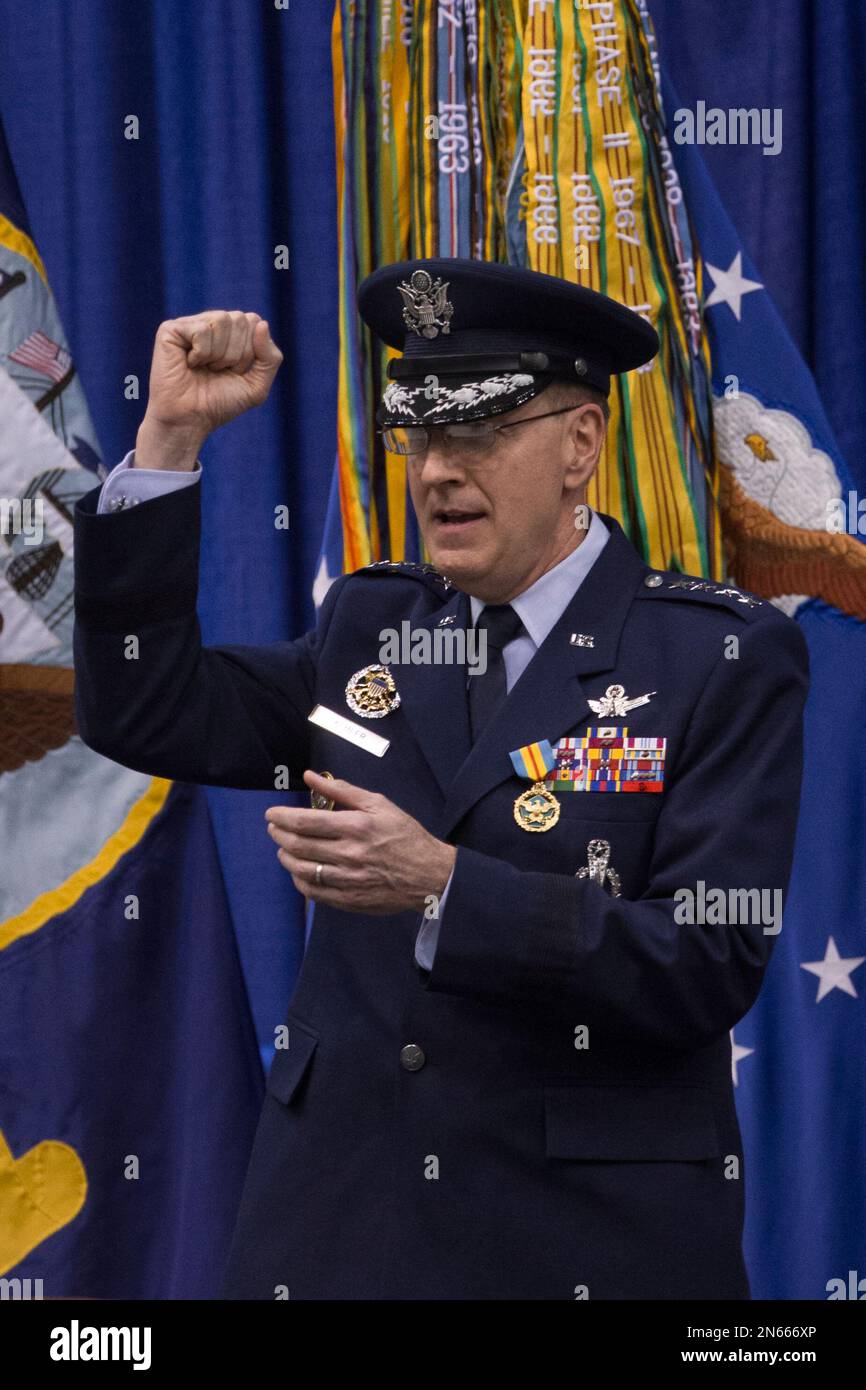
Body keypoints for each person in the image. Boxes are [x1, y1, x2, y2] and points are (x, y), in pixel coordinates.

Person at [72, 257, 809, 1300]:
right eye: (419, 436)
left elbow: (703, 959)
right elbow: (146, 706)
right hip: (340, 1235)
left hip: (578, 1246)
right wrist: (170, 442)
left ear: (579, 446)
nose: (434, 471)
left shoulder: (711, 657)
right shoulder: (372, 628)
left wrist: (445, 885)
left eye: (477, 431)